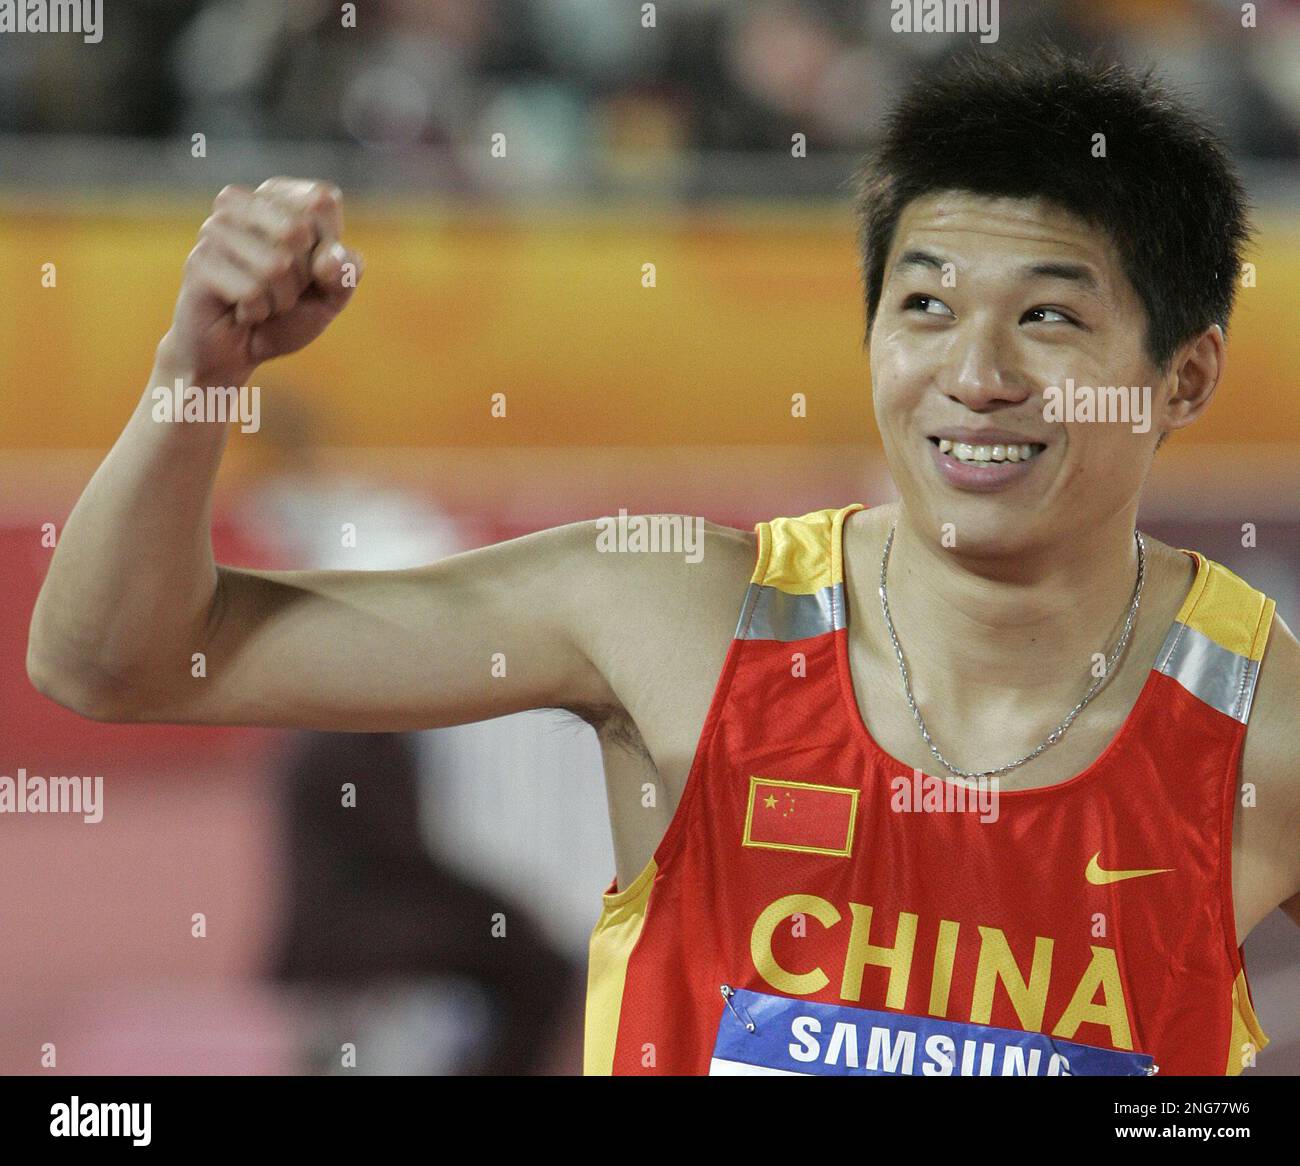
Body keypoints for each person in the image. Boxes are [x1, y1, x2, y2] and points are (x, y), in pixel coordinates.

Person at [27, 46, 1299, 1076]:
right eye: (923, 305)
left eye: (1047, 317)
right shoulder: (669, 612)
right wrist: (195, 379)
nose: (973, 377)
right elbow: (116, 661)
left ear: (1182, 374)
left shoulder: (1264, 731)